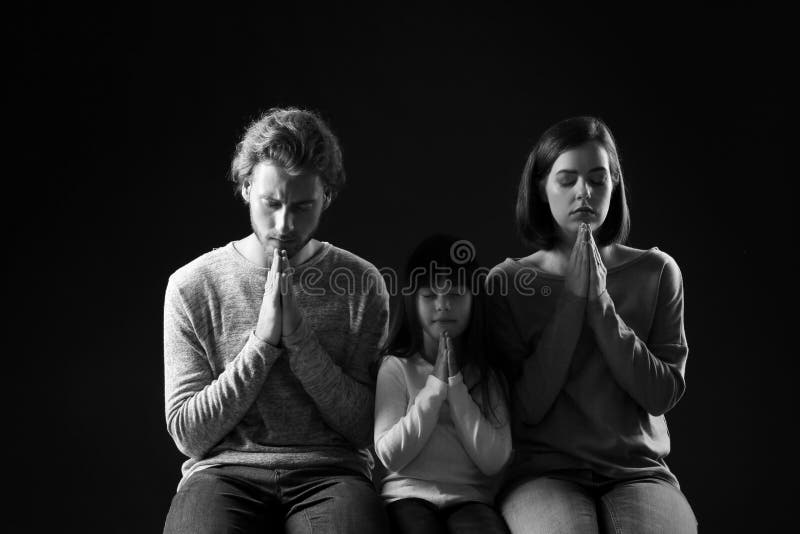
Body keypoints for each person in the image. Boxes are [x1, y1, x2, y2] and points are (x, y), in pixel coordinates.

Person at [162, 107, 389, 533]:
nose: (284, 224)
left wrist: (300, 340)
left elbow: (364, 430)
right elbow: (189, 435)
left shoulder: (362, 284)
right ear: (247, 187)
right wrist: (263, 343)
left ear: (327, 196)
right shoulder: (193, 286)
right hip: (222, 473)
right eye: (272, 203)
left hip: (331, 472)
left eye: (302, 206)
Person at [487, 116, 697, 533]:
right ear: (541, 188)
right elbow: (525, 409)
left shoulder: (657, 272)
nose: (584, 192)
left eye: (597, 179)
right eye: (567, 180)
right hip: (542, 475)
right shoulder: (507, 283)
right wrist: (572, 302)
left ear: (614, 184)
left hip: (639, 472)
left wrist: (600, 304)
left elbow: (660, 394)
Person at [374, 234, 512, 534]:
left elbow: (494, 461)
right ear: (412, 302)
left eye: (456, 293)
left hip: (471, 500)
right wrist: (435, 388)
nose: (443, 305)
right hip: (405, 497)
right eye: (429, 295)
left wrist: (455, 385)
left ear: (474, 300)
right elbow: (389, 455)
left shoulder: (487, 374)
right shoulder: (396, 367)